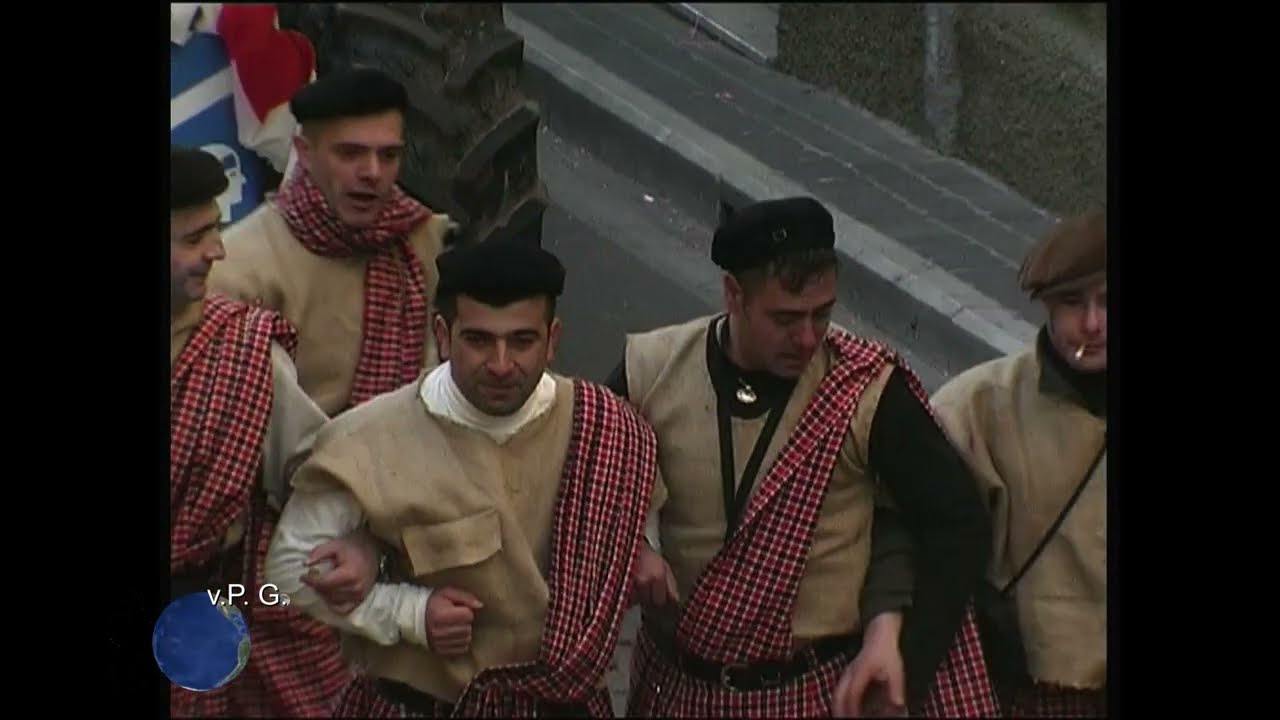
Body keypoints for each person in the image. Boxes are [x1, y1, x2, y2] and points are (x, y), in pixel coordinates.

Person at [606, 197, 1000, 717]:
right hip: (677, 691)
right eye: (785, 318)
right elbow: (585, 477)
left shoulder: (863, 388)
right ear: (733, 295)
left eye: (823, 314)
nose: (809, 338)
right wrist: (630, 544)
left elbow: (958, 521)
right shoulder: (651, 370)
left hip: (810, 694)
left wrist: (905, 653)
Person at [263, 234, 660, 717]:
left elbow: (635, 530)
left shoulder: (607, 430)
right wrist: (409, 614)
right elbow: (287, 572)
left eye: (522, 341)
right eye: (478, 340)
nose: (500, 364)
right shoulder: (365, 441)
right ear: (443, 334)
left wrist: (640, 548)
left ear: (552, 339)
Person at [169, 145, 380, 717]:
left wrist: (362, 543)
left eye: (215, 231)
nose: (216, 252)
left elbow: (320, 471)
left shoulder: (242, 353)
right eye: (192, 239)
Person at [930, 207, 1107, 717]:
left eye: (1108, 302)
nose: (1092, 324)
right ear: (1046, 307)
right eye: (1072, 303)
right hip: (1037, 691)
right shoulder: (978, 408)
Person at [209, 67, 457, 417]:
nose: (372, 172)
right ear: (304, 152)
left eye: (388, 156)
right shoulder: (235, 268)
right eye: (350, 153)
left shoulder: (425, 241)